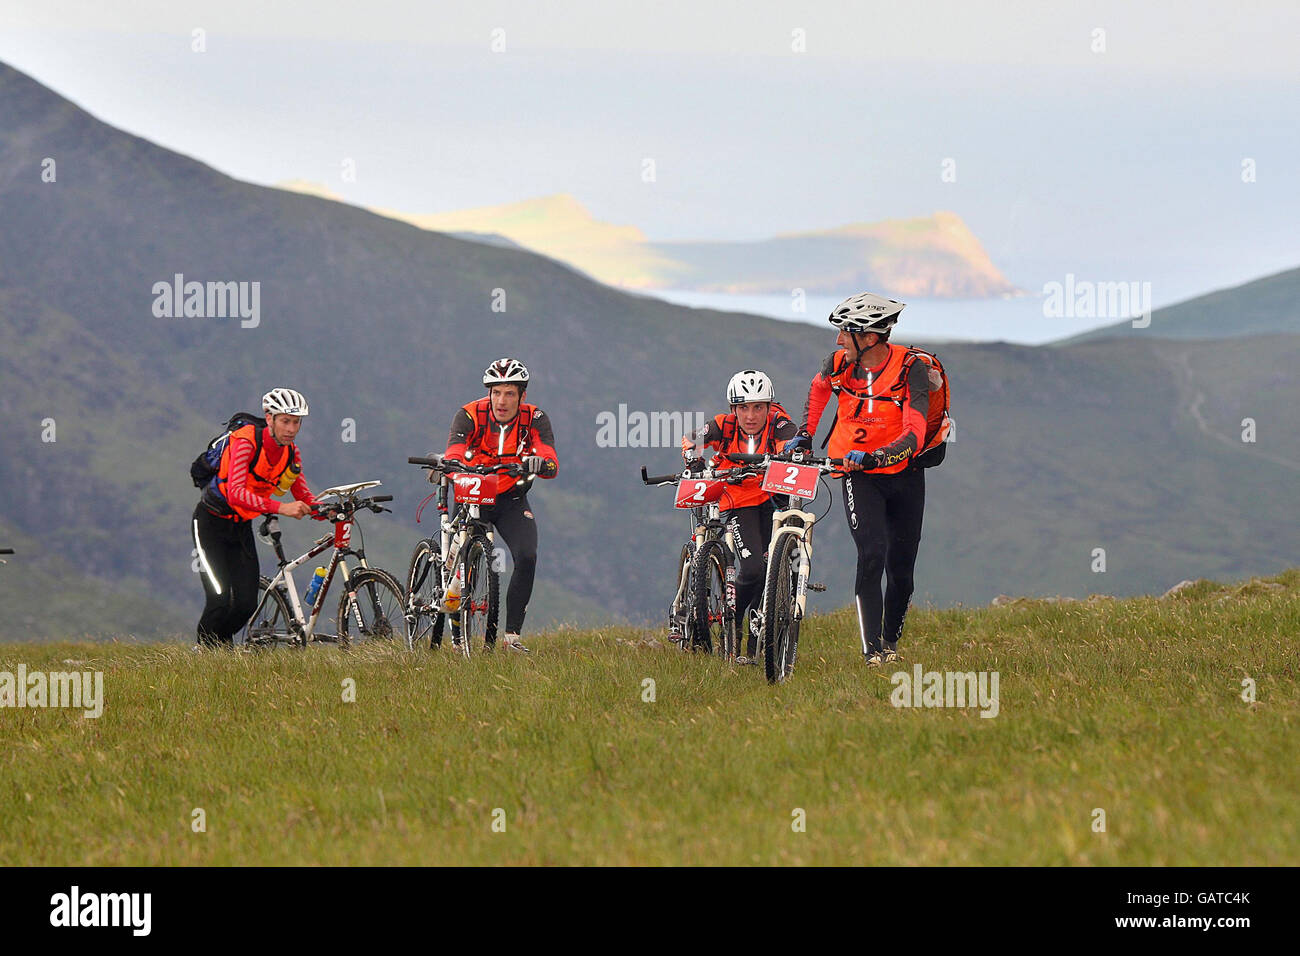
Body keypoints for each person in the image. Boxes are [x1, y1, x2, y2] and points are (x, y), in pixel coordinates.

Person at [786, 293, 936, 667]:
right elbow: (819, 389)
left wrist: (878, 456)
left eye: (845, 332)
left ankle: (890, 642)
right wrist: (806, 432)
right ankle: (873, 653)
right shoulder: (837, 364)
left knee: (901, 571)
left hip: (904, 474)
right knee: (871, 555)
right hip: (857, 475)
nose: (838, 340)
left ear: (869, 337)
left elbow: (915, 433)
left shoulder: (910, 369)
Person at [438, 358, 559, 652]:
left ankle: (511, 639)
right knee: (460, 568)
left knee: (527, 556)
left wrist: (541, 463)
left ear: (522, 396)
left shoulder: (535, 418)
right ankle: (457, 639)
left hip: (511, 498)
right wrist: (453, 467)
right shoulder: (469, 414)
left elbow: (550, 459)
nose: (501, 401)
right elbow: (454, 451)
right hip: (473, 494)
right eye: (496, 392)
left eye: (509, 394)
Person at [681, 369, 799, 662]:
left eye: (758, 407)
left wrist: (794, 455)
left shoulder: (779, 423)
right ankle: (733, 622)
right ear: (734, 408)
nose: (751, 415)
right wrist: (694, 461)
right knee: (752, 569)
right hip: (737, 498)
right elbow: (692, 440)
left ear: (769, 407)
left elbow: (793, 443)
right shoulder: (724, 425)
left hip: (771, 497)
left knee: (771, 564)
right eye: (743, 407)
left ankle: (757, 641)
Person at [192, 388, 319, 648]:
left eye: (296, 422)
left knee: (246, 603)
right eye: (285, 421)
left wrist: (331, 510)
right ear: (269, 418)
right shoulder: (245, 441)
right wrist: (282, 508)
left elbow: (303, 494)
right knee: (219, 597)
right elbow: (236, 493)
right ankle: (206, 653)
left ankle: (217, 648)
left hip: (240, 528)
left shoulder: (290, 453)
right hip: (210, 523)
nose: (292, 428)